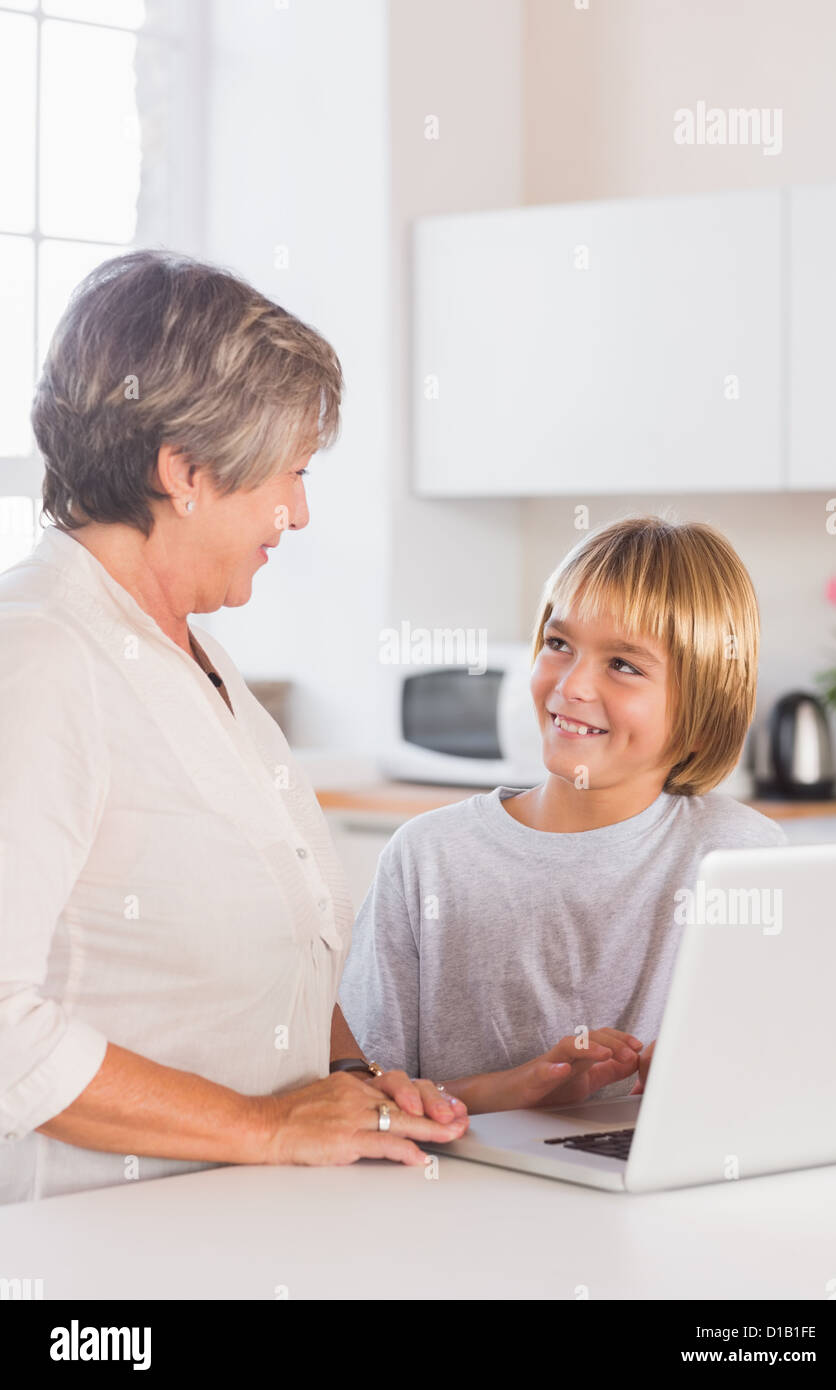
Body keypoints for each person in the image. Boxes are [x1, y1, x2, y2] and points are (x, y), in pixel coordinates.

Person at [0, 249, 484, 1203]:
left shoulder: (196, 661)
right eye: (287, 474)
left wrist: (348, 1083)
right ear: (184, 472)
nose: (297, 513)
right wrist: (264, 1128)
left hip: (238, 1229)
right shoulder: (40, 657)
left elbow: (264, 965)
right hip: (86, 1258)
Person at [339, 515, 788, 1112]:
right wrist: (511, 1091)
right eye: (558, 645)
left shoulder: (742, 858)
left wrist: (709, 1090)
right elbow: (364, 1104)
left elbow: (782, 1086)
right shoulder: (428, 858)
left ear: (703, 713)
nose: (572, 685)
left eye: (623, 665)